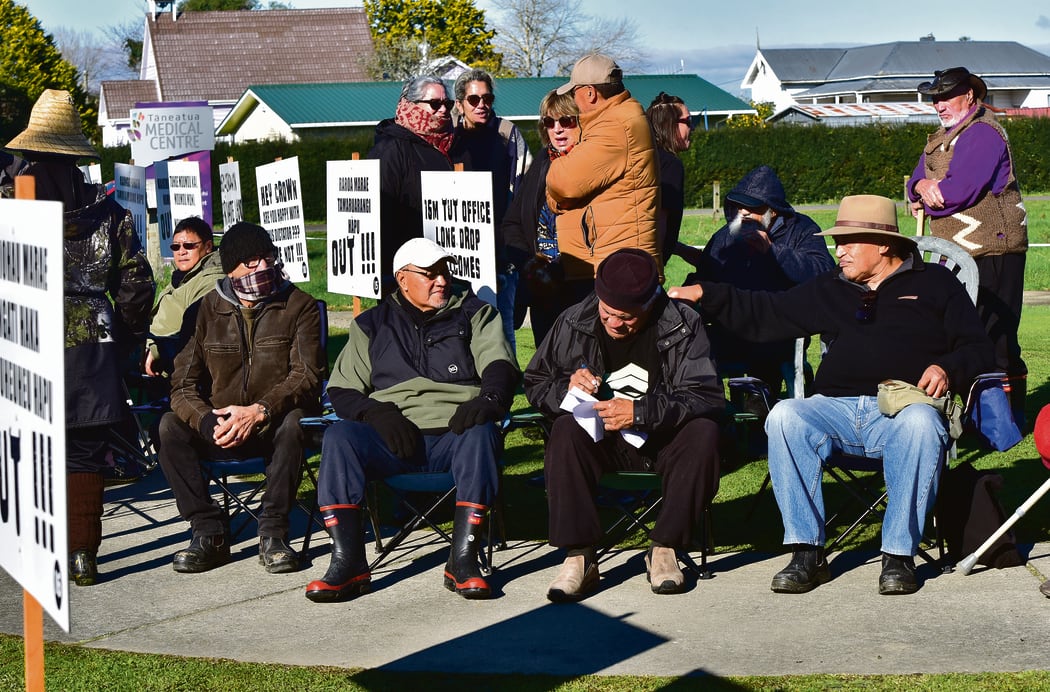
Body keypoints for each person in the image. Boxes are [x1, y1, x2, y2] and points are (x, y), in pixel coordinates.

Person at [670, 195, 995, 595]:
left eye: (848, 242)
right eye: (836, 242)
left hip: (899, 410)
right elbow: (767, 312)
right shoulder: (830, 288)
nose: (837, 251)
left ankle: (898, 556)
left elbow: (978, 349)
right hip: (834, 410)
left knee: (922, 423)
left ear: (883, 245)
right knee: (787, 415)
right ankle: (807, 553)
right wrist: (708, 293)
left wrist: (947, 368)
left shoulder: (935, 284)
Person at [305, 237, 518, 603]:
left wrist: (489, 400)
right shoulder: (371, 324)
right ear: (403, 279)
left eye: (445, 272)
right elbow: (341, 390)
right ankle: (348, 561)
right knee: (340, 438)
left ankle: (463, 559)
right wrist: (377, 412)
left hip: (457, 432)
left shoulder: (476, 312)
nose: (442, 280)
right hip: (393, 438)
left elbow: (500, 365)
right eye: (430, 274)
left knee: (482, 432)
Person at [6, 89, 155, 586]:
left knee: (25, 447)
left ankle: (33, 549)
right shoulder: (111, 214)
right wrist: (127, 343)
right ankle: (82, 557)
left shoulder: (9, 208)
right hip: (94, 343)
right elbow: (138, 286)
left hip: (24, 337)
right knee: (85, 455)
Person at [525, 249, 724, 601]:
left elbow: (705, 395)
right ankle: (579, 555)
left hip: (662, 439)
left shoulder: (683, 323)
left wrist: (640, 412)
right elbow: (536, 381)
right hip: (602, 441)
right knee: (565, 430)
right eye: (608, 313)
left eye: (627, 317)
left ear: (650, 304)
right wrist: (566, 387)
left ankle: (664, 547)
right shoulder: (572, 320)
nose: (616, 323)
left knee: (704, 432)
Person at [158, 222, 324, 574]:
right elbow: (183, 385)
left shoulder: (300, 306)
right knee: (170, 426)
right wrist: (207, 421)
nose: (262, 267)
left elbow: (306, 376)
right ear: (231, 267)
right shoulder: (204, 311)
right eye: (250, 262)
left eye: (267, 258)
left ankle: (274, 534)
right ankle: (208, 532)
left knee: (296, 421)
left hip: (274, 424)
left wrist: (260, 411)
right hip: (219, 427)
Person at [907, 67, 1028, 428]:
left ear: (969, 96)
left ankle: (1006, 421)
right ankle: (977, 417)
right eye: (934, 98)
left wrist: (925, 193)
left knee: (996, 335)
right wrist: (919, 186)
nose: (939, 105)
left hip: (995, 249)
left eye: (945, 97)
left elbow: (957, 192)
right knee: (960, 332)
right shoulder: (939, 139)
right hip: (955, 254)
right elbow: (916, 178)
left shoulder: (984, 133)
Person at [692, 165, 835, 393]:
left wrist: (774, 251)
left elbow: (824, 272)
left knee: (766, 354)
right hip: (731, 328)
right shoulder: (725, 236)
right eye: (739, 206)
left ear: (773, 210)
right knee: (691, 344)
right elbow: (705, 276)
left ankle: (760, 402)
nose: (744, 213)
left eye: (752, 207)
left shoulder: (802, 230)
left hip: (781, 330)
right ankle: (712, 410)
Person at [546, 53, 661, 299]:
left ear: (590, 93)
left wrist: (558, 167)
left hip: (620, 268)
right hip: (616, 263)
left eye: (575, 91)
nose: (574, 100)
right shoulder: (621, 119)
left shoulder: (614, 126)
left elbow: (563, 182)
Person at [450, 68, 530, 353]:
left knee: (503, 323)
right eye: (473, 99)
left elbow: (524, 185)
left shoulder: (507, 134)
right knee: (459, 323)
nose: (481, 104)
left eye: (487, 98)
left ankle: (506, 382)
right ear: (459, 103)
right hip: (457, 248)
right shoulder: (448, 137)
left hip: (500, 248)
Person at [503, 89, 582, 346]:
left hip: (582, 286)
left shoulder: (593, 164)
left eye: (567, 121)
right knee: (547, 367)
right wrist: (529, 263)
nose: (557, 129)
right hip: (541, 286)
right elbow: (514, 220)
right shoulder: (543, 161)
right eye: (550, 122)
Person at [368, 75, 457, 287]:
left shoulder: (452, 145)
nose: (443, 110)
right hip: (407, 270)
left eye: (447, 103)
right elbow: (380, 213)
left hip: (446, 264)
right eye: (435, 104)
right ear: (412, 105)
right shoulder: (390, 149)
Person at [144, 216, 224, 378]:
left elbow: (195, 327)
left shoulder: (211, 280)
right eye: (176, 246)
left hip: (181, 364)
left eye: (189, 246)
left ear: (208, 246)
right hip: (159, 353)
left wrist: (154, 349)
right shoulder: (180, 278)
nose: (181, 252)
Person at [645, 92, 695, 266]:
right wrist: (654, 273)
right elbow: (658, 221)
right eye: (688, 121)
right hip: (645, 270)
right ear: (670, 125)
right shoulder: (670, 165)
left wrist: (681, 249)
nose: (692, 128)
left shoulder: (641, 158)